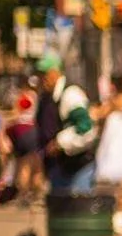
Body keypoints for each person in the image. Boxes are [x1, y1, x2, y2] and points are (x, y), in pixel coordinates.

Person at [35, 54, 99, 194]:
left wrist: (60, 142)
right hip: (58, 167)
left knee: (77, 211)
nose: (41, 78)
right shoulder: (45, 98)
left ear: (55, 73)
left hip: (79, 167)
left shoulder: (71, 94)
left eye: (44, 74)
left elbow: (86, 128)